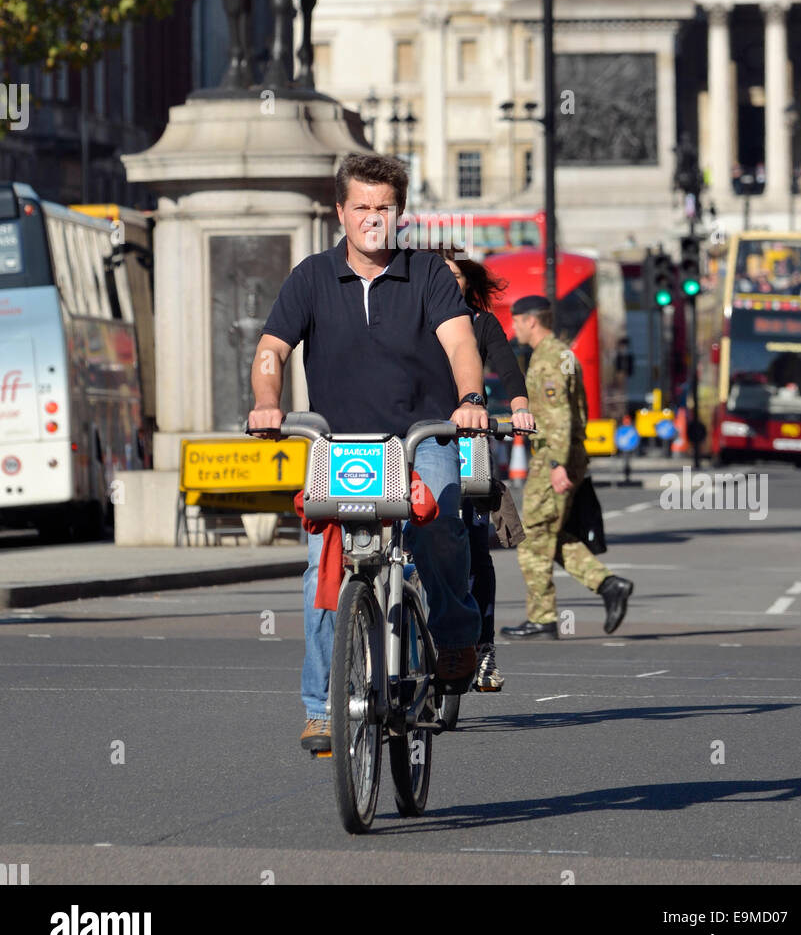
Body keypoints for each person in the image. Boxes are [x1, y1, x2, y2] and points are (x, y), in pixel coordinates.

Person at [248, 152, 486, 752]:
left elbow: (460, 344)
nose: (372, 219)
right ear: (340, 213)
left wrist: (471, 398)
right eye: (361, 208)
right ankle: (322, 708)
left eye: (384, 208)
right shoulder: (310, 278)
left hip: (421, 437)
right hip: (340, 448)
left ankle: (458, 633)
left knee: (441, 528)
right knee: (320, 573)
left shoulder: (428, 276)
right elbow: (271, 350)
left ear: (399, 214)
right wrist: (267, 402)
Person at [500, 295, 633, 640]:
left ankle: (542, 618)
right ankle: (608, 585)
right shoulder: (563, 354)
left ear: (530, 321)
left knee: (532, 538)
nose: (514, 328)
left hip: (553, 457)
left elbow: (559, 417)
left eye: (516, 321)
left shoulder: (548, 360)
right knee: (549, 537)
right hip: (565, 452)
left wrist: (557, 464)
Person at [440, 252, 535, 690]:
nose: (446, 282)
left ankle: (482, 649)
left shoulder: (480, 324)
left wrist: (519, 408)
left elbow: (509, 368)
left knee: (476, 547)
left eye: (454, 276)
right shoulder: (411, 321)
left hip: (467, 442)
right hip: (412, 440)